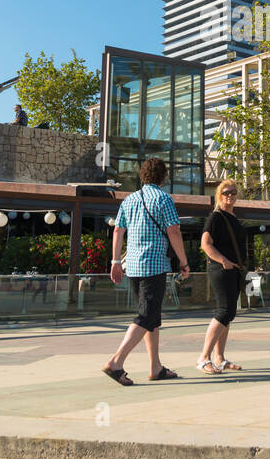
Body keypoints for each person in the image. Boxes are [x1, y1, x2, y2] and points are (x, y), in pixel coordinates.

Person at [102, 158, 191, 385]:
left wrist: (115, 261)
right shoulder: (164, 199)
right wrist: (183, 261)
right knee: (146, 316)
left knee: (153, 317)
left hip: (132, 266)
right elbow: (174, 231)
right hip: (154, 265)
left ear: (142, 176)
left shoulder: (129, 200)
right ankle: (116, 361)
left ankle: (155, 367)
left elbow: (118, 231)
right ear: (164, 177)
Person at [196, 179, 248, 373]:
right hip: (221, 269)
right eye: (226, 192)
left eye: (233, 192)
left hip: (234, 270)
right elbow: (205, 243)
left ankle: (220, 358)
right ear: (219, 195)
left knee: (229, 314)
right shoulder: (216, 217)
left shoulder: (233, 217)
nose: (230, 195)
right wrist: (223, 260)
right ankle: (203, 358)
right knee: (224, 311)